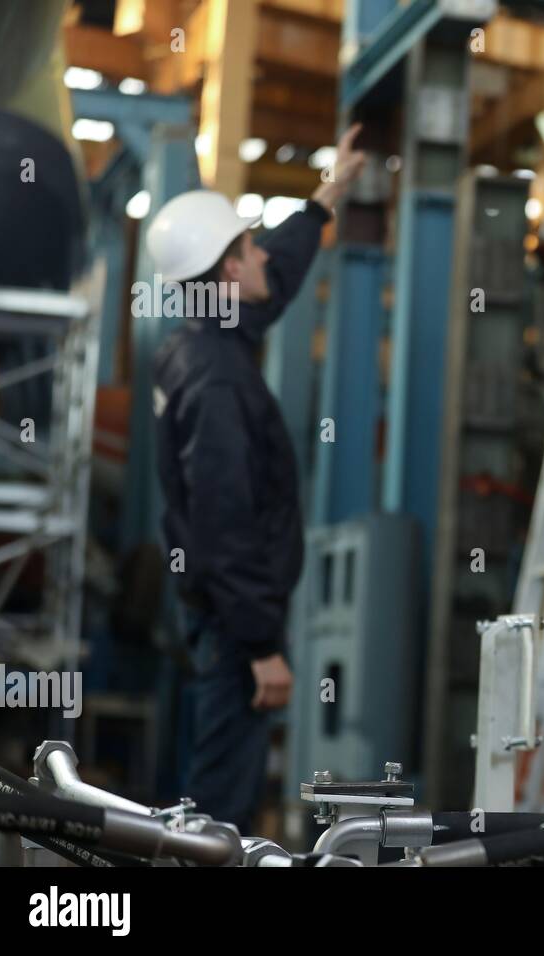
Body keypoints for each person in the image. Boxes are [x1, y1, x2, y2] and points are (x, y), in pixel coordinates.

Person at [148, 125, 366, 833]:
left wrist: (324, 200)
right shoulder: (217, 380)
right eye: (248, 247)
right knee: (221, 812)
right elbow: (223, 526)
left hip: (218, 619)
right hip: (234, 629)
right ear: (230, 273)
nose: (262, 252)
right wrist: (262, 643)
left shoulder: (205, 337)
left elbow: (278, 276)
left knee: (215, 797)